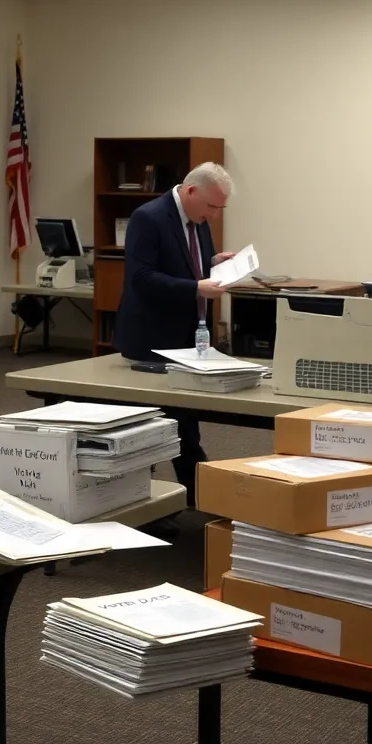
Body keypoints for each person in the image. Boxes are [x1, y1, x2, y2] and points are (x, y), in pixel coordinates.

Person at [113, 162, 237, 507]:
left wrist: (216, 263)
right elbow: (142, 277)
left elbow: (186, 263)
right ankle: (149, 503)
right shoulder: (148, 217)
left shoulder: (197, 219)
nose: (213, 215)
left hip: (188, 339)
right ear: (191, 191)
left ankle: (199, 500)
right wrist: (197, 286)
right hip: (151, 340)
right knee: (149, 430)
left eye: (219, 208)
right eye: (211, 206)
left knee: (185, 424)